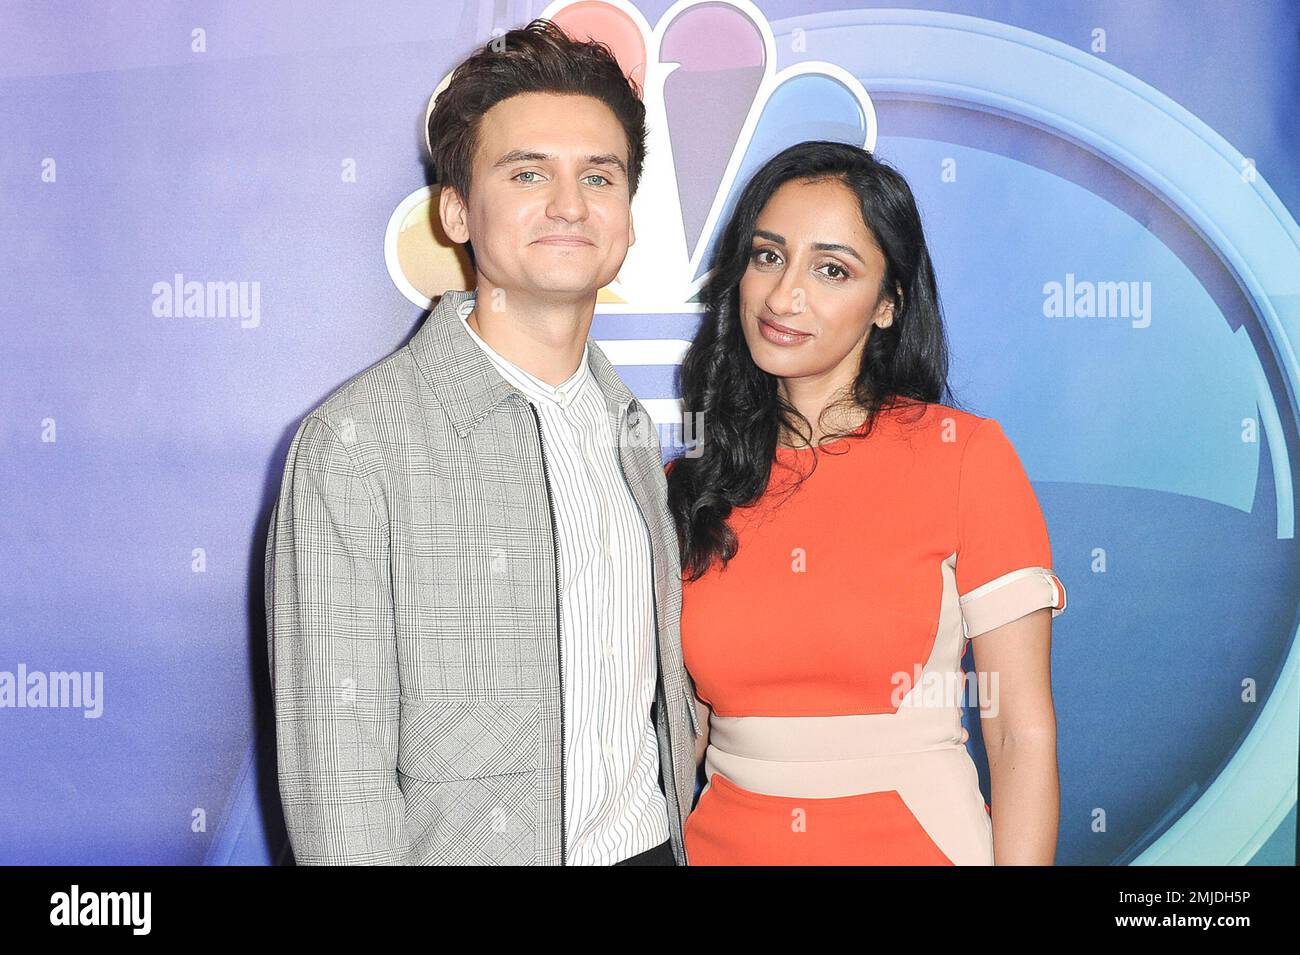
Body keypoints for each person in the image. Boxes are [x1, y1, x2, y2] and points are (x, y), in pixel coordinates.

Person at [264, 18, 701, 866]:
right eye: (528, 172)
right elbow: (338, 783)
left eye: (599, 176)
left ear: (628, 217)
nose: (570, 204)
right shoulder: (354, 446)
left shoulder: (631, 433)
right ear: (456, 211)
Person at [667, 140, 1067, 865]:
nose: (785, 295)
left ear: (887, 304)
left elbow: (1018, 732)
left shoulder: (965, 455)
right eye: (767, 256)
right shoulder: (688, 482)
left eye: (831, 269)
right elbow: (679, 734)